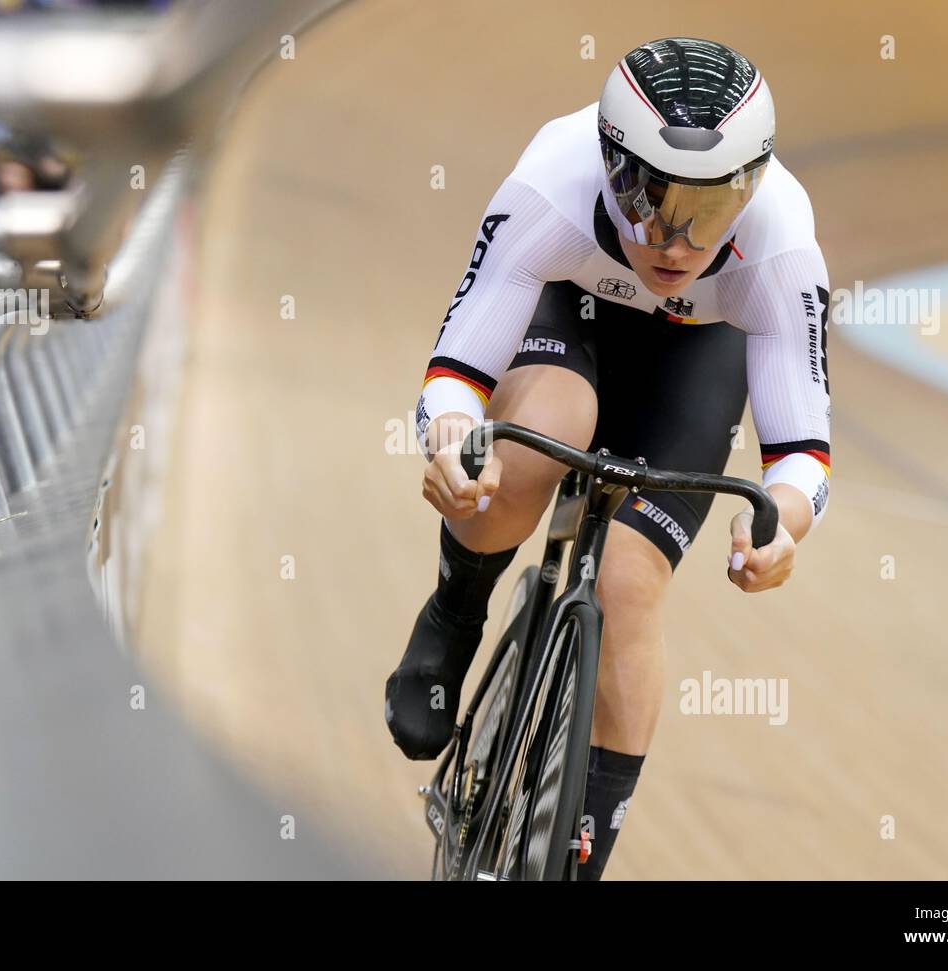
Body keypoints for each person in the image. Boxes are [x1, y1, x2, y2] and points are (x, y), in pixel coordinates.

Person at [385, 37, 832, 880]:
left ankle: (580, 854)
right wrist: (452, 446)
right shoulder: (550, 183)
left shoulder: (780, 244)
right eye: (650, 202)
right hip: (573, 317)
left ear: (754, 187)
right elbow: (459, 370)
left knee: (629, 583)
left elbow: (802, 449)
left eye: (710, 210)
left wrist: (785, 528)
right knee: (537, 438)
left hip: (697, 359)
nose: (675, 240)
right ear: (606, 163)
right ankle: (457, 609)